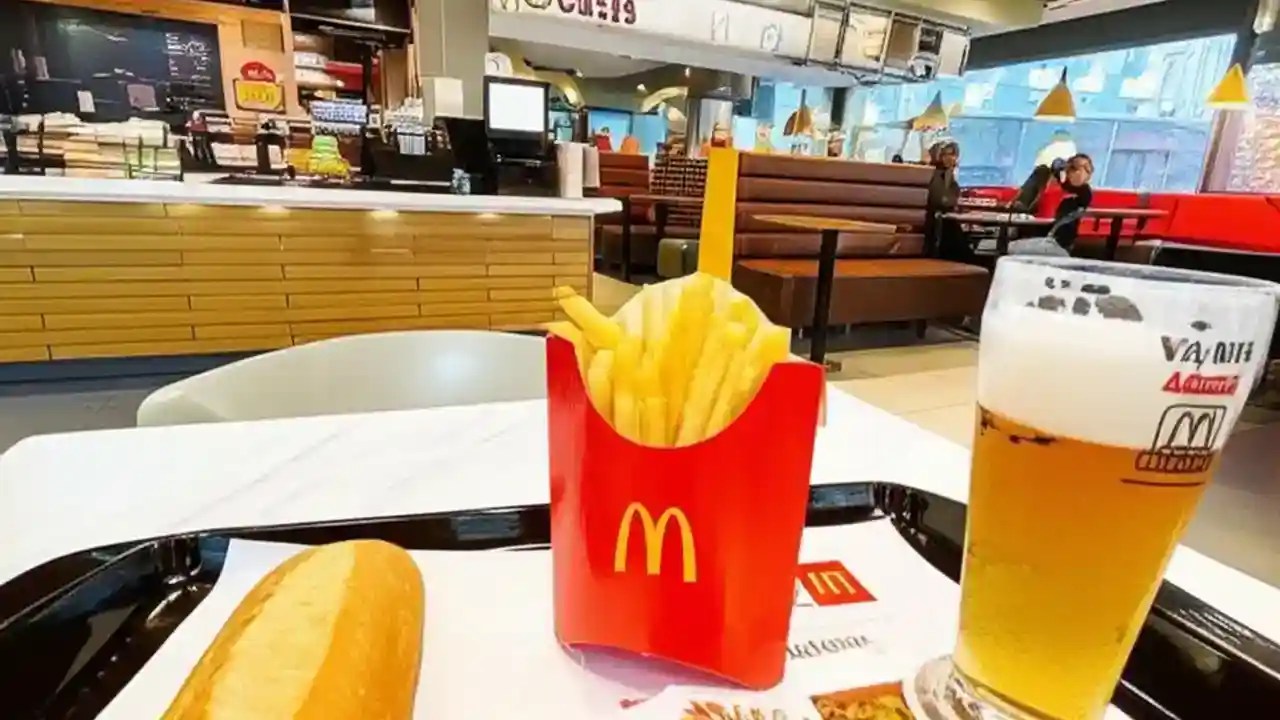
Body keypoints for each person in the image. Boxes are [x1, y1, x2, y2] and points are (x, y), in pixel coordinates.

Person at [927, 140, 971, 262]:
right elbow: (942, 201)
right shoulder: (934, 174)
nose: (950, 158)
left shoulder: (950, 176)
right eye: (945, 154)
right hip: (935, 220)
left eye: (952, 154)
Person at [1051, 153, 1094, 251]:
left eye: (1087, 172)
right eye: (1081, 170)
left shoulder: (1084, 192)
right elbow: (1056, 163)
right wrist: (1062, 170)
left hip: (1059, 242)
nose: (1083, 176)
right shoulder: (1060, 178)